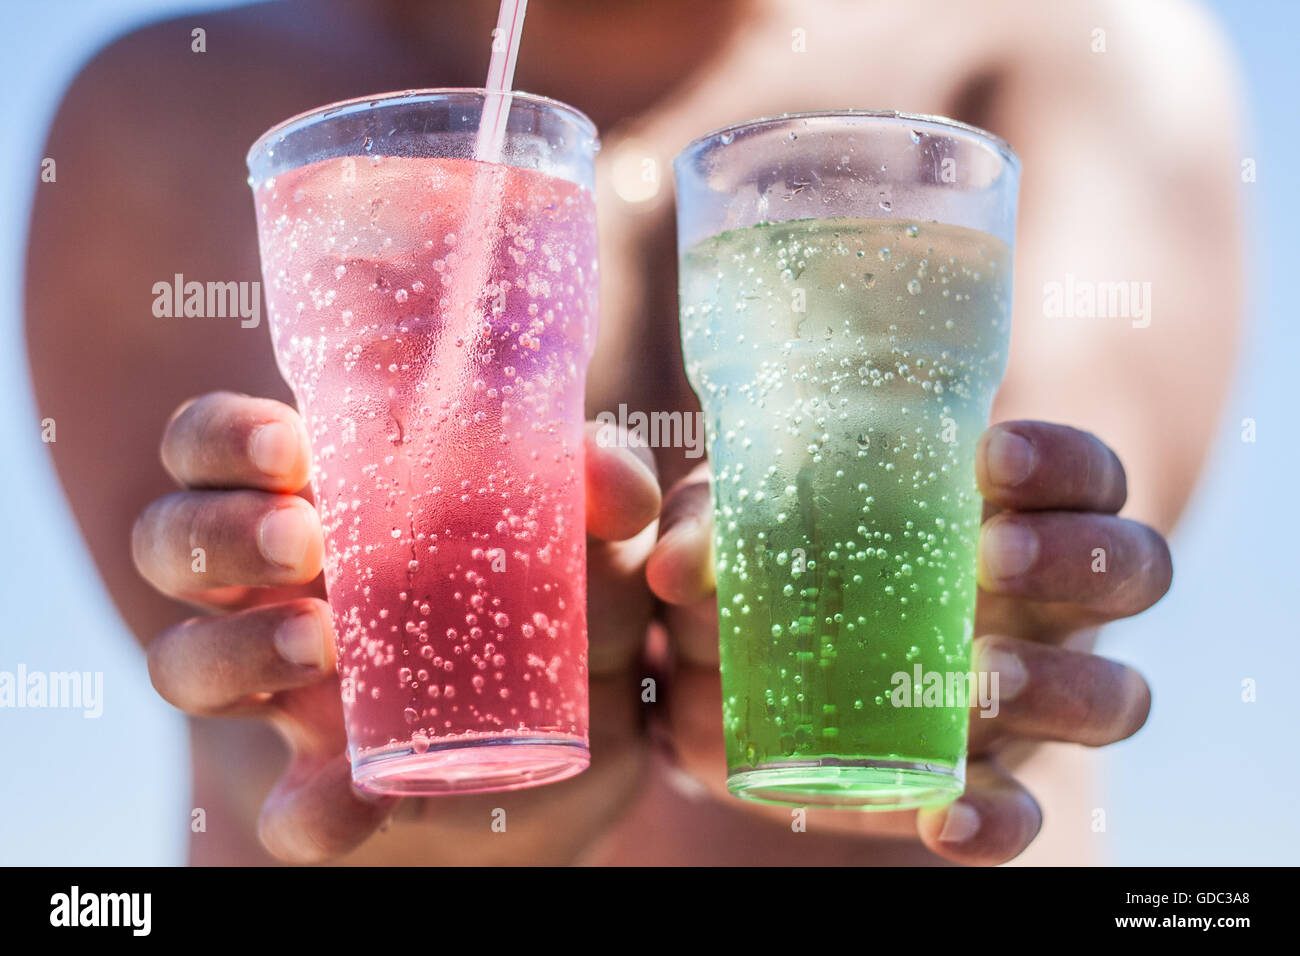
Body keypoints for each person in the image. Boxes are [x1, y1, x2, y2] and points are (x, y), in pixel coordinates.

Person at [25, 0, 1241, 865]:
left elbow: (1013, 523)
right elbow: (251, 709)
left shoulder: (1074, 47)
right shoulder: (185, 98)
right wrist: (332, 751)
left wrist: (988, 612)